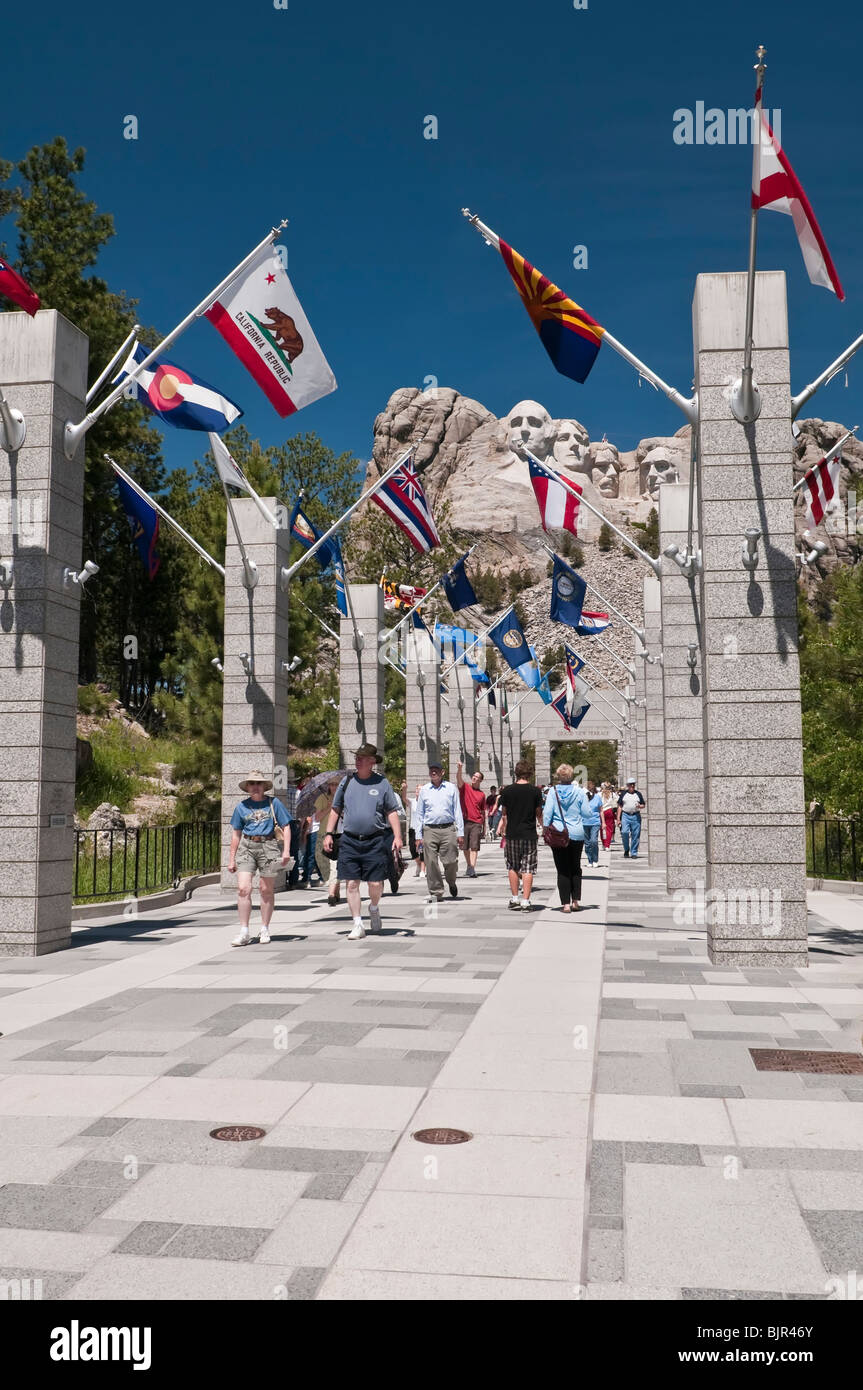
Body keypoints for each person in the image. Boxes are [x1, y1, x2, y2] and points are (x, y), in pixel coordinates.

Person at [321, 744, 402, 941]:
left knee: (375, 883)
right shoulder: (347, 782)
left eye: (363, 757)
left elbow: (391, 811)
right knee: (351, 884)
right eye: (357, 756)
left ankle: (373, 908)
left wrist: (398, 837)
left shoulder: (382, 783)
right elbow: (335, 808)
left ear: (372, 762)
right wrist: (329, 833)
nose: (358, 760)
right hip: (349, 840)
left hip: (375, 840)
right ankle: (357, 923)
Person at [227, 771, 294, 946]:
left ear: (264, 786)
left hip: (268, 846)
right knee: (243, 888)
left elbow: (286, 827)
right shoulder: (242, 806)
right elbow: (236, 834)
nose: (255, 786)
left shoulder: (273, 803)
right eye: (252, 784)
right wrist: (231, 859)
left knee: (266, 889)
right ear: (247, 787)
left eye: (258, 783)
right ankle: (244, 930)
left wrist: (286, 850)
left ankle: (264, 927)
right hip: (247, 846)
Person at [414, 762, 464, 903]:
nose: (433, 772)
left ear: (443, 772)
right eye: (431, 770)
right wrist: (418, 836)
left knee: (451, 861)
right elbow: (419, 814)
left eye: (436, 770)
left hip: (448, 829)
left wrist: (460, 833)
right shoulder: (424, 790)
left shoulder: (451, 788)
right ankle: (436, 892)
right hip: (430, 829)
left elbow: (457, 810)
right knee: (431, 862)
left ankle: (451, 881)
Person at [497, 760, 543, 910]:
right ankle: (525, 901)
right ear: (530, 773)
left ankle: (515, 898)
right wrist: (544, 827)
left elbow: (504, 815)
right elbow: (538, 814)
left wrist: (504, 829)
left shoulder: (507, 791)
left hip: (512, 833)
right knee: (528, 868)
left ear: (516, 772)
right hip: (529, 833)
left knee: (512, 865)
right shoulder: (535, 791)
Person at [543, 765, 588, 911]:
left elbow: (548, 813)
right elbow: (586, 813)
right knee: (575, 867)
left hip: (559, 834)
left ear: (558, 777)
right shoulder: (580, 792)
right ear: (571, 776)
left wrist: (545, 828)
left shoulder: (552, 792)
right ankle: (575, 900)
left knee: (562, 869)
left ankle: (565, 904)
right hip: (577, 833)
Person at [314, 778, 343, 907]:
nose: (334, 787)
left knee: (334, 865)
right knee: (322, 863)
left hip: (338, 835)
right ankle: (335, 889)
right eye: (331, 784)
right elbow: (317, 817)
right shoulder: (322, 798)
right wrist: (329, 807)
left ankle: (331, 893)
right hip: (322, 834)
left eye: (336, 784)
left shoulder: (344, 798)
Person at [456, 762, 486, 876]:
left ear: (480, 780)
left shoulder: (482, 795)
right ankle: (469, 865)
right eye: (474, 776)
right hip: (464, 821)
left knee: (474, 846)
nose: (475, 778)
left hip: (476, 822)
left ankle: (472, 867)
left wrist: (485, 827)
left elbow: (483, 812)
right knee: (464, 846)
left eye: (478, 777)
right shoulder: (465, 788)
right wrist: (459, 769)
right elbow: (459, 780)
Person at [617, 777, 646, 858]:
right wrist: (618, 819)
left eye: (633, 784)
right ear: (627, 785)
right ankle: (626, 849)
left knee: (635, 834)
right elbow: (620, 806)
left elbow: (643, 804)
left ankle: (634, 852)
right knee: (624, 832)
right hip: (625, 815)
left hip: (636, 815)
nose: (632, 786)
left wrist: (640, 806)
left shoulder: (638, 794)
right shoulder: (623, 794)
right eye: (630, 784)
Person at [582, 778, 602, 867]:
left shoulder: (597, 797)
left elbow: (601, 810)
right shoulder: (582, 798)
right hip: (584, 823)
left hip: (595, 822)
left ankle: (595, 859)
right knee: (587, 843)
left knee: (594, 841)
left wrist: (604, 822)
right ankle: (590, 860)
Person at [408, 783, 426, 877]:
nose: (418, 791)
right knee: (412, 850)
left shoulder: (426, 802)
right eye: (417, 789)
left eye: (420, 789)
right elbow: (404, 799)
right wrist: (404, 789)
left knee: (422, 850)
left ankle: (423, 870)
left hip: (423, 829)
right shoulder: (412, 801)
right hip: (413, 829)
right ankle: (418, 864)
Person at [599, 781, 617, 850]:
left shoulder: (600, 794)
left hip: (602, 811)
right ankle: (607, 845)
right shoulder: (613, 794)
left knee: (602, 828)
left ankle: (603, 843)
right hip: (610, 811)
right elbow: (617, 801)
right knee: (609, 829)